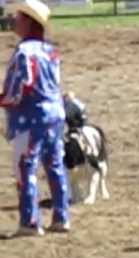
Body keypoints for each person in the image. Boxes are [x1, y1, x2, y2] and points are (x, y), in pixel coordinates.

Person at [0, 0, 70, 236]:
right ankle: (61, 216)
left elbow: (21, 86)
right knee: (55, 164)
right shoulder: (51, 51)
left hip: (31, 116)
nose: (14, 21)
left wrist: (5, 100)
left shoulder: (24, 52)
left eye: (19, 17)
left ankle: (30, 221)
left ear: (28, 22)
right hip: (54, 112)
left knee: (25, 167)